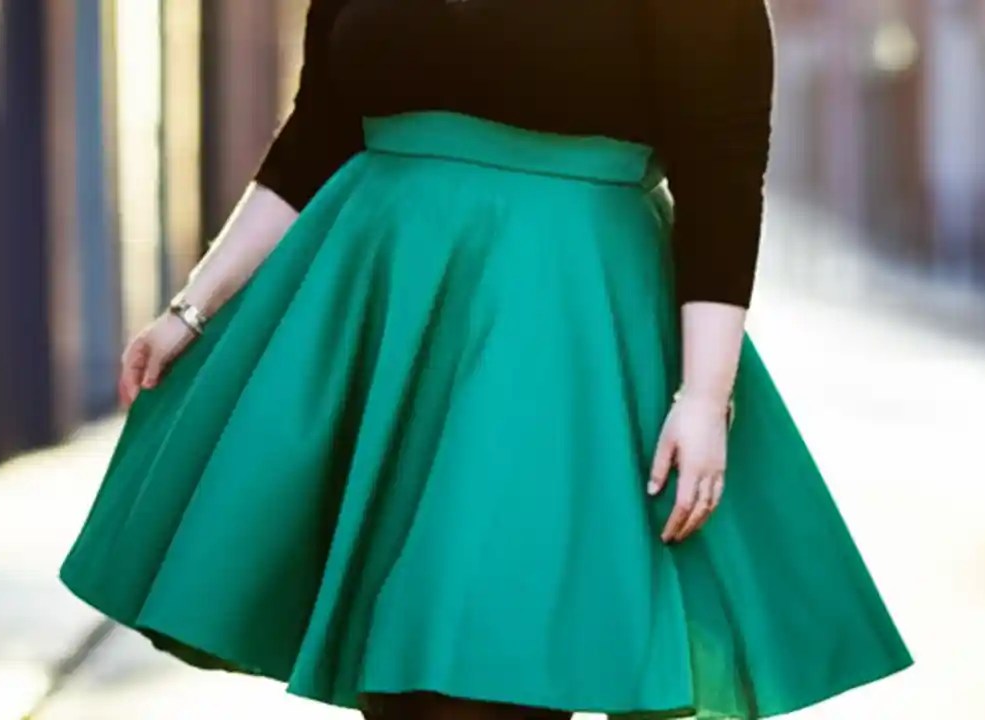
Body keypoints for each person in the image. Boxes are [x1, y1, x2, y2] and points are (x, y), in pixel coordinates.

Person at [60, 1, 913, 718]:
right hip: (385, 324)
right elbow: (319, 130)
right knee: (400, 671)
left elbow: (723, 171)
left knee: (490, 649)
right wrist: (194, 307)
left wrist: (703, 395)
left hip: (554, 334)